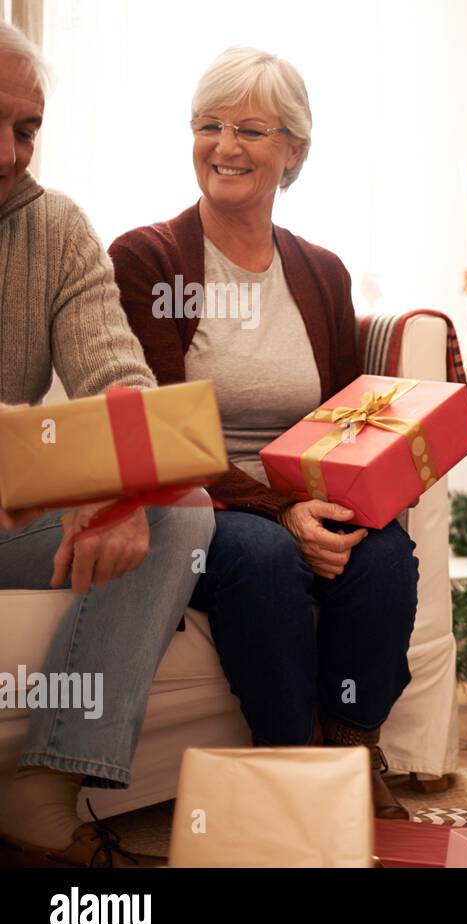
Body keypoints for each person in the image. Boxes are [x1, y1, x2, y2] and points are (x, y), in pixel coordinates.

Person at [108, 47, 416, 820]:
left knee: (383, 555)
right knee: (266, 556)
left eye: (250, 128)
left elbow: (345, 422)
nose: (225, 146)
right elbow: (163, 436)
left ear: (293, 152)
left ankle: (351, 748)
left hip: (299, 496)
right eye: (208, 125)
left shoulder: (321, 272)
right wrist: (284, 512)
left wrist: (344, 495)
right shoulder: (146, 259)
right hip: (195, 503)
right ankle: (292, 768)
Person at [0, 22, 214, 866]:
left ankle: (43, 789)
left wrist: (125, 486)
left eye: (27, 128)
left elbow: (119, 377)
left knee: (181, 513)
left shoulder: (54, 228)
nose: (12, 153)